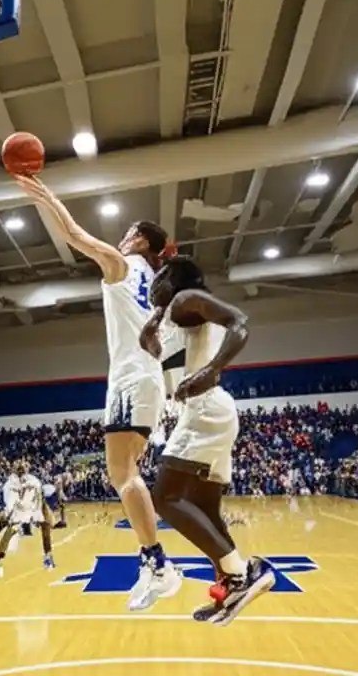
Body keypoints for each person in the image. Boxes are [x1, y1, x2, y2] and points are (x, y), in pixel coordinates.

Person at [13, 174, 180, 609]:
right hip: (146, 379)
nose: (122, 238)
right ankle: (154, 563)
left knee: (122, 473)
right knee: (126, 474)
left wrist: (46, 195)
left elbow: (73, 235)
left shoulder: (123, 266)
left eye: (129, 234)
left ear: (141, 241)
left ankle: (159, 566)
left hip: (129, 380)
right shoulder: (156, 290)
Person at [139, 256, 275, 626]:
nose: (155, 281)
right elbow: (149, 347)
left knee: (164, 498)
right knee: (207, 511)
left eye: (162, 275)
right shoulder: (171, 317)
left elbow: (240, 322)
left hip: (205, 409)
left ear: (177, 279)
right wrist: (154, 315)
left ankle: (241, 573)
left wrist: (212, 369)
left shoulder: (186, 300)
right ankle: (232, 585)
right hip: (204, 414)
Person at [0, 461, 54, 577]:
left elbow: (39, 496)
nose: (22, 471)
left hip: (34, 506)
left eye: (24, 468)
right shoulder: (10, 484)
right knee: (11, 530)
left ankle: (48, 556)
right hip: (19, 508)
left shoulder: (34, 481)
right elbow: (9, 504)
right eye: (19, 469)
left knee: (45, 526)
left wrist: (38, 512)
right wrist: (10, 515)